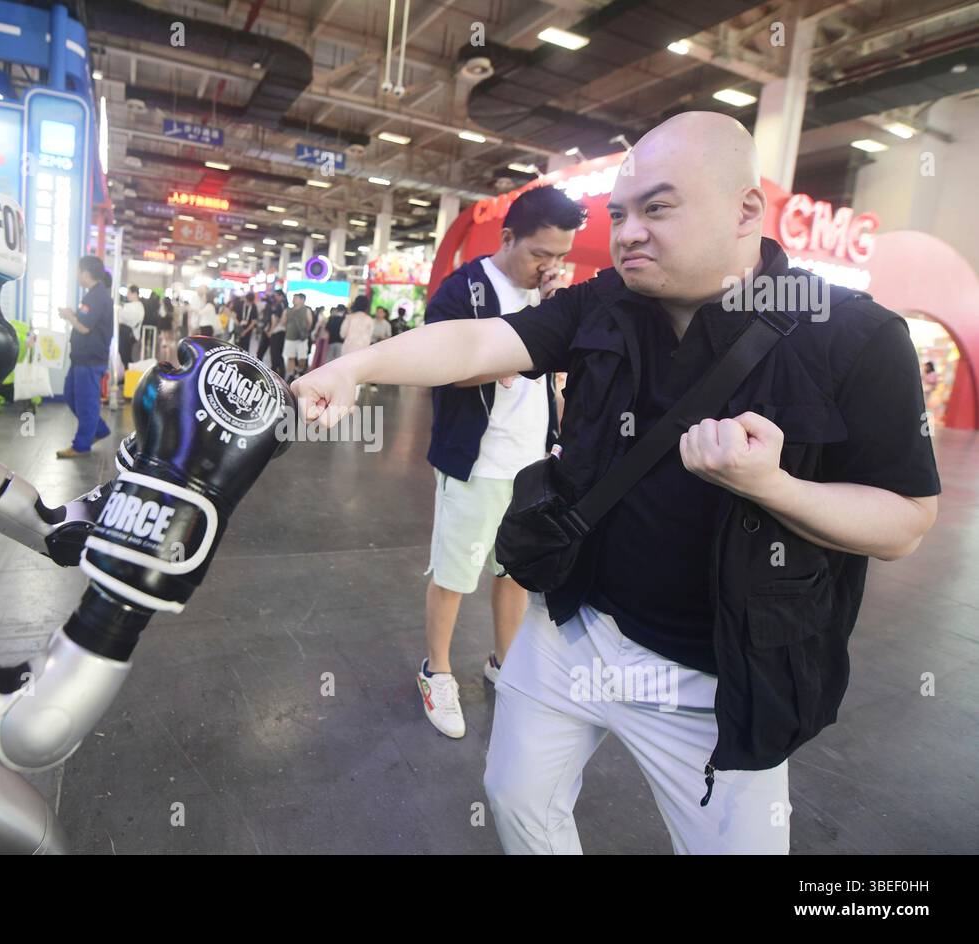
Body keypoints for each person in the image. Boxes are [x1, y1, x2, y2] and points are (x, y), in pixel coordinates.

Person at [293, 111, 940, 854]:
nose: (629, 231)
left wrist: (774, 486)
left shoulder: (853, 336)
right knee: (515, 797)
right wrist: (355, 367)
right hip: (573, 628)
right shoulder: (605, 303)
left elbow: (906, 521)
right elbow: (480, 340)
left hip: (716, 680)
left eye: (658, 208)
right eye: (620, 214)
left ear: (746, 210)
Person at [414, 185, 583, 739]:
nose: (549, 266)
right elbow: (437, 365)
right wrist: (503, 364)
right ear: (507, 237)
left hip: (530, 462)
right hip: (475, 462)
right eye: (540, 254)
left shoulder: (556, 297)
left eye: (560, 256)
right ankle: (436, 669)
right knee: (456, 573)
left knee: (516, 572)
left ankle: (504, 664)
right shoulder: (463, 290)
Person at [56, 255, 115, 458]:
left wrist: (68, 316)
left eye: (78, 270)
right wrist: (74, 313)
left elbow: (84, 327)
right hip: (81, 358)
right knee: (71, 395)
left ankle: (81, 445)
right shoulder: (93, 295)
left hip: (90, 360)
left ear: (86, 272)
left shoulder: (96, 297)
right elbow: (86, 320)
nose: (76, 275)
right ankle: (98, 430)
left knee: (86, 403)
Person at [284, 292, 313, 379]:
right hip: (290, 337)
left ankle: (299, 371)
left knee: (302, 358)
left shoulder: (306, 310)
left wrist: (304, 332)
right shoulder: (288, 310)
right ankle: (291, 375)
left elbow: (310, 323)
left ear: (302, 300)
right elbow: (284, 321)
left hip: (302, 339)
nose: (293, 300)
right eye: (293, 298)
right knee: (290, 357)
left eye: (295, 298)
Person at [118, 284, 144, 375]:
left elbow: (125, 318)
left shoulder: (134, 306)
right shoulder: (138, 306)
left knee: (126, 356)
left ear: (135, 294)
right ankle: (128, 376)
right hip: (131, 335)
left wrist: (120, 312)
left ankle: (129, 376)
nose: (127, 295)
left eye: (129, 293)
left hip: (128, 334)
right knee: (126, 356)